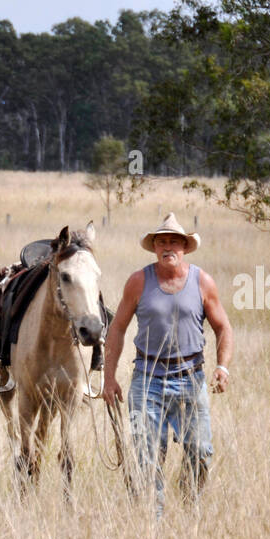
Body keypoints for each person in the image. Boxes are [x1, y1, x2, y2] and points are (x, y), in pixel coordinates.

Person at [103, 213, 234, 514]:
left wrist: (222, 366)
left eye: (174, 241)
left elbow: (223, 327)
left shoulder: (202, 281)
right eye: (162, 242)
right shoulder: (138, 282)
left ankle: (191, 507)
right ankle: (154, 524)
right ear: (153, 248)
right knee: (146, 454)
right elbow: (118, 329)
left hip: (191, 378)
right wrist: (109, 378)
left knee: (201, 452)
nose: (168, 247)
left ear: (185, 247)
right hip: (147, 379)